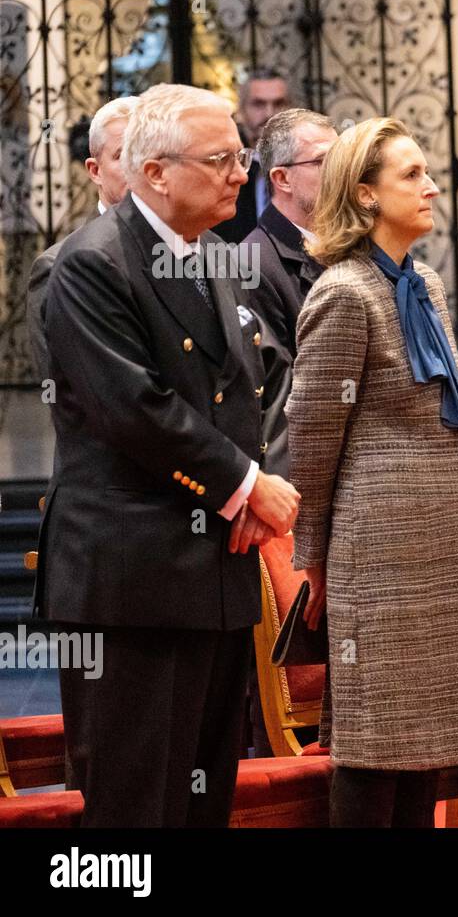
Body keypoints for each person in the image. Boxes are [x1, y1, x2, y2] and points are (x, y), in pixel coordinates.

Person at [36, 83, 301, 826]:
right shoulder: (92, 263)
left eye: (240, 157)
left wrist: (255, 488)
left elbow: (250, 390)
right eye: (219, 159)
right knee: (136, 804)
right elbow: (134, 408)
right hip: (134, 577)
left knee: (203, 793)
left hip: (214, 567)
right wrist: (246, 485)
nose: (238, 173)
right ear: (154, 173)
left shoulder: (214, 255)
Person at [288, 117, 458, 827]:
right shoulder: (344, 293)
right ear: (364, 194)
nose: (432, 186)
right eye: (412, 175)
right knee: (377, 737)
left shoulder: (426, 284)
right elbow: (312, 436)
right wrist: (313, 556)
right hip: (378, 547)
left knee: (431, 741)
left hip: (441, 537)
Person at [27, 96, 138, 383]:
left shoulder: (193, 249)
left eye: (146, 154)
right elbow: (65, 390)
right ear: (95, 170)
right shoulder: (58, 265)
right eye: (122, 156)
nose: (137, 168)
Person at [243, 108, 336, 356]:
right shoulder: (251, 264)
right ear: (283, 178)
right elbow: (279, 380)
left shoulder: (348, 243)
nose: (339, 172)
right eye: (322, 161)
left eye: (340, 160)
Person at [213, 69, 292, 242]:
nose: (269, 113)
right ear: (241, 109)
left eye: (278, 104)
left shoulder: (304, 164)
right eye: (258, 104)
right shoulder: (221, 165)